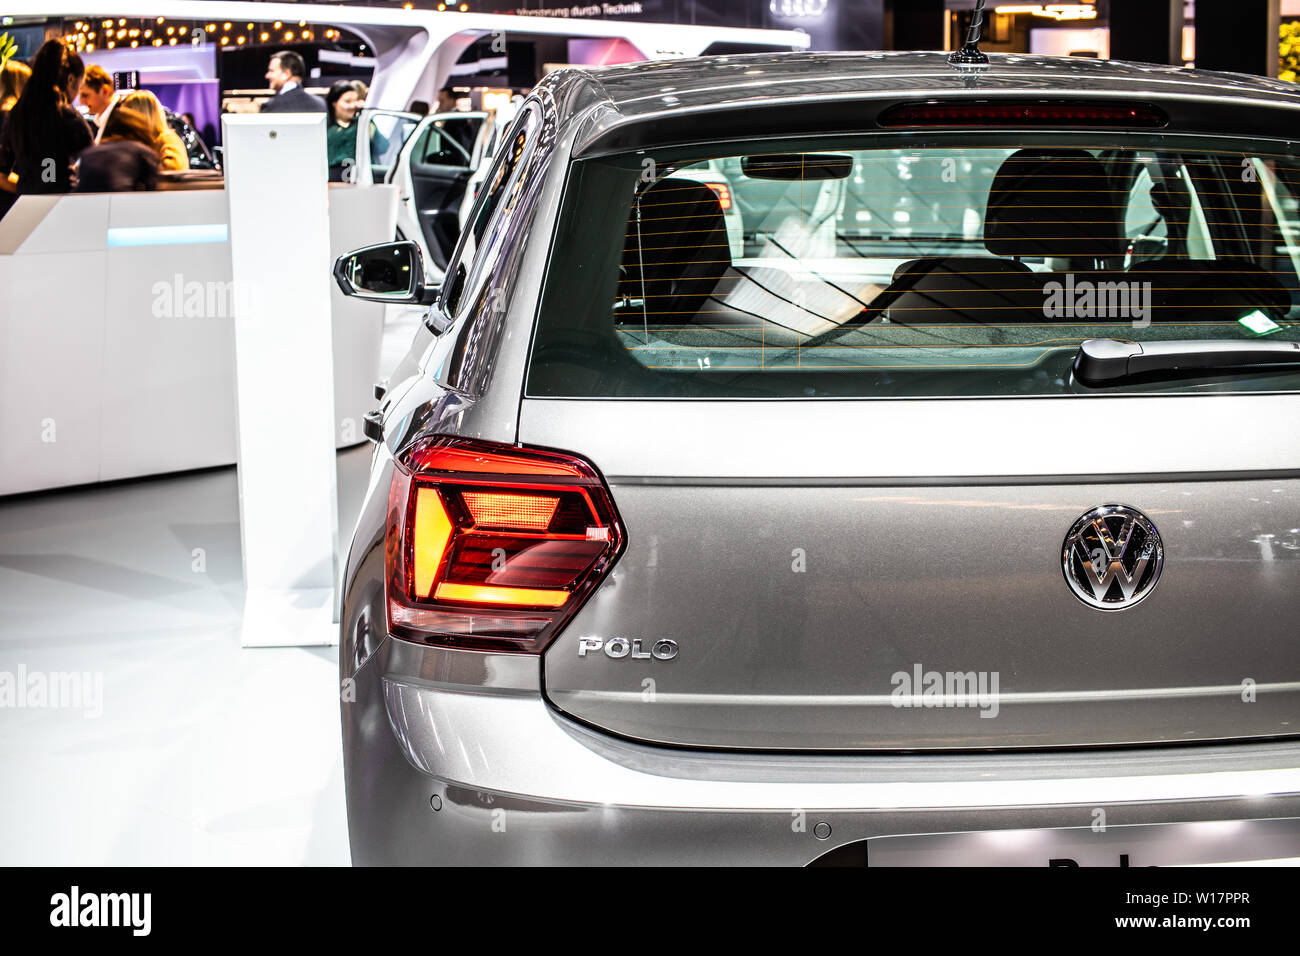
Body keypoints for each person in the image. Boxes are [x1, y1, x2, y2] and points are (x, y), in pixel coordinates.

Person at [0, 40, 92, 204]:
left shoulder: (16, 115)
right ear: (70, 80)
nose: (77, 96)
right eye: (78, 87)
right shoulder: (68, 117)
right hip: (63, 208)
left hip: (26, 211)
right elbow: (95, 167)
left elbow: (2, 175)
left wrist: (30, 188)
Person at [75, 104, 158, 192]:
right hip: (123, 201)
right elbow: (152, 189)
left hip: (86, 202)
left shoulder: (88, 153)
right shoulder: (142, 152)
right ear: (140, 129)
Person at [117, 90, 188, 171]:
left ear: (141, 115)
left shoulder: (167, 139)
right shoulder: (141, 141)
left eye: (128, 116)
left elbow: (172, 171)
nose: (124, 121)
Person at [260, 51, 326, 114]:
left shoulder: (271, 107)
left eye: (271, 71)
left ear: (286, 74)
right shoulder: (321, 104)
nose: (267, 76)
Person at [326, 79, 364, 182]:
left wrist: (365, 114)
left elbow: (382, 146)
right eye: (347, 101)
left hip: (359, 180)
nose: (353, 106)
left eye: (355, 101)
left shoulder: (362, 124)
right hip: (331, 182)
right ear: (334, 103)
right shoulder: (325, 126)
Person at [78, 64, 116, 130]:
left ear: (105, 91)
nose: (81, 102)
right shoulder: (101, 120)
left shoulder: (120, 121)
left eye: (85, 95)